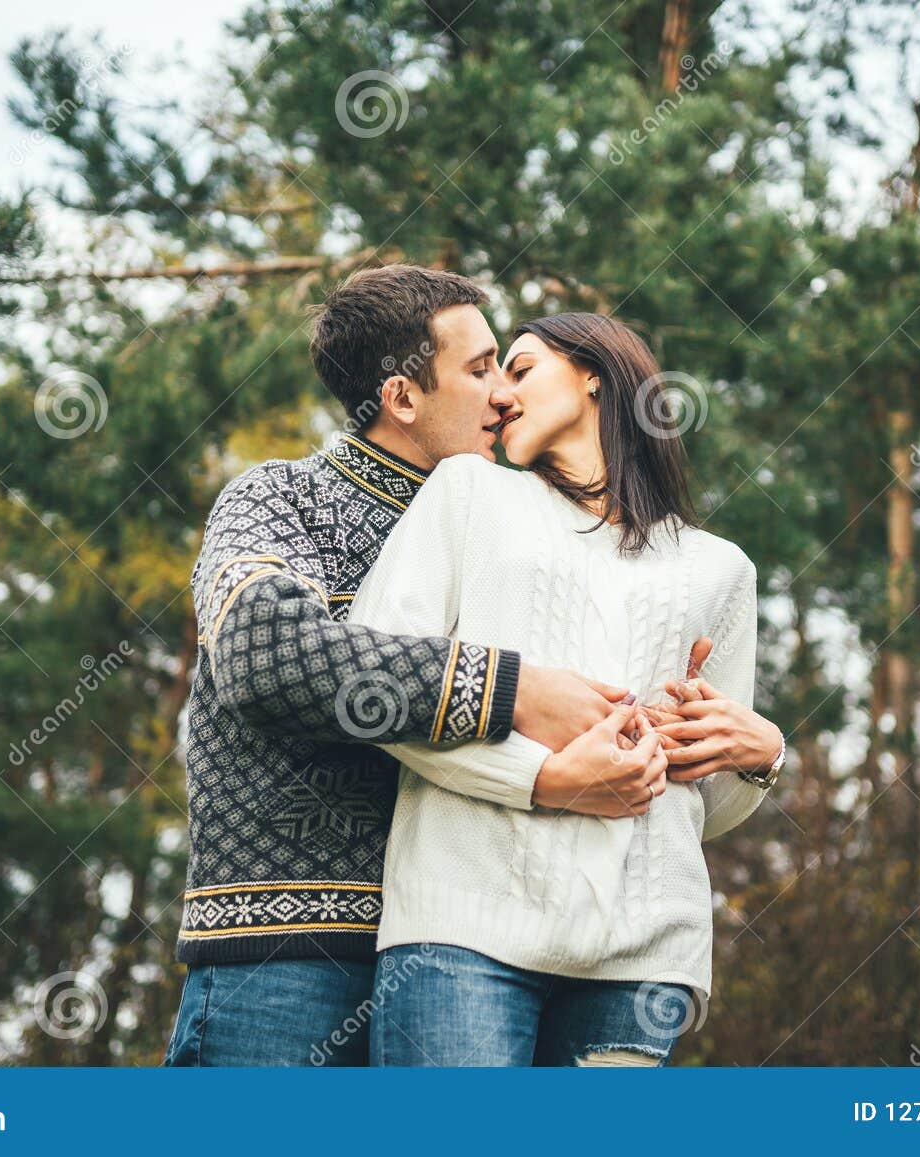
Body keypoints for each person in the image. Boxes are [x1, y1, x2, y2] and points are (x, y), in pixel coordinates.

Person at [165, 266, 665, 1066]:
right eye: (481, 369)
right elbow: (265, 652)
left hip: (480, 961)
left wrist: (745, 742)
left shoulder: (527, 533)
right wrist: (509, 688)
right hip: (289, 962)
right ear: (401, 397)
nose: (505, 394)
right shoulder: (281, 499)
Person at [348, 312, 786, 1067]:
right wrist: (542, 778)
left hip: (643, 955)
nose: (500, 395)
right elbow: (379, 692)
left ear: (594, 373)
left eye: (519, 369)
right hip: (462, 932)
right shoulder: (469, 494)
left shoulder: (721, 570)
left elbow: (701, 807)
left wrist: (759, 756)